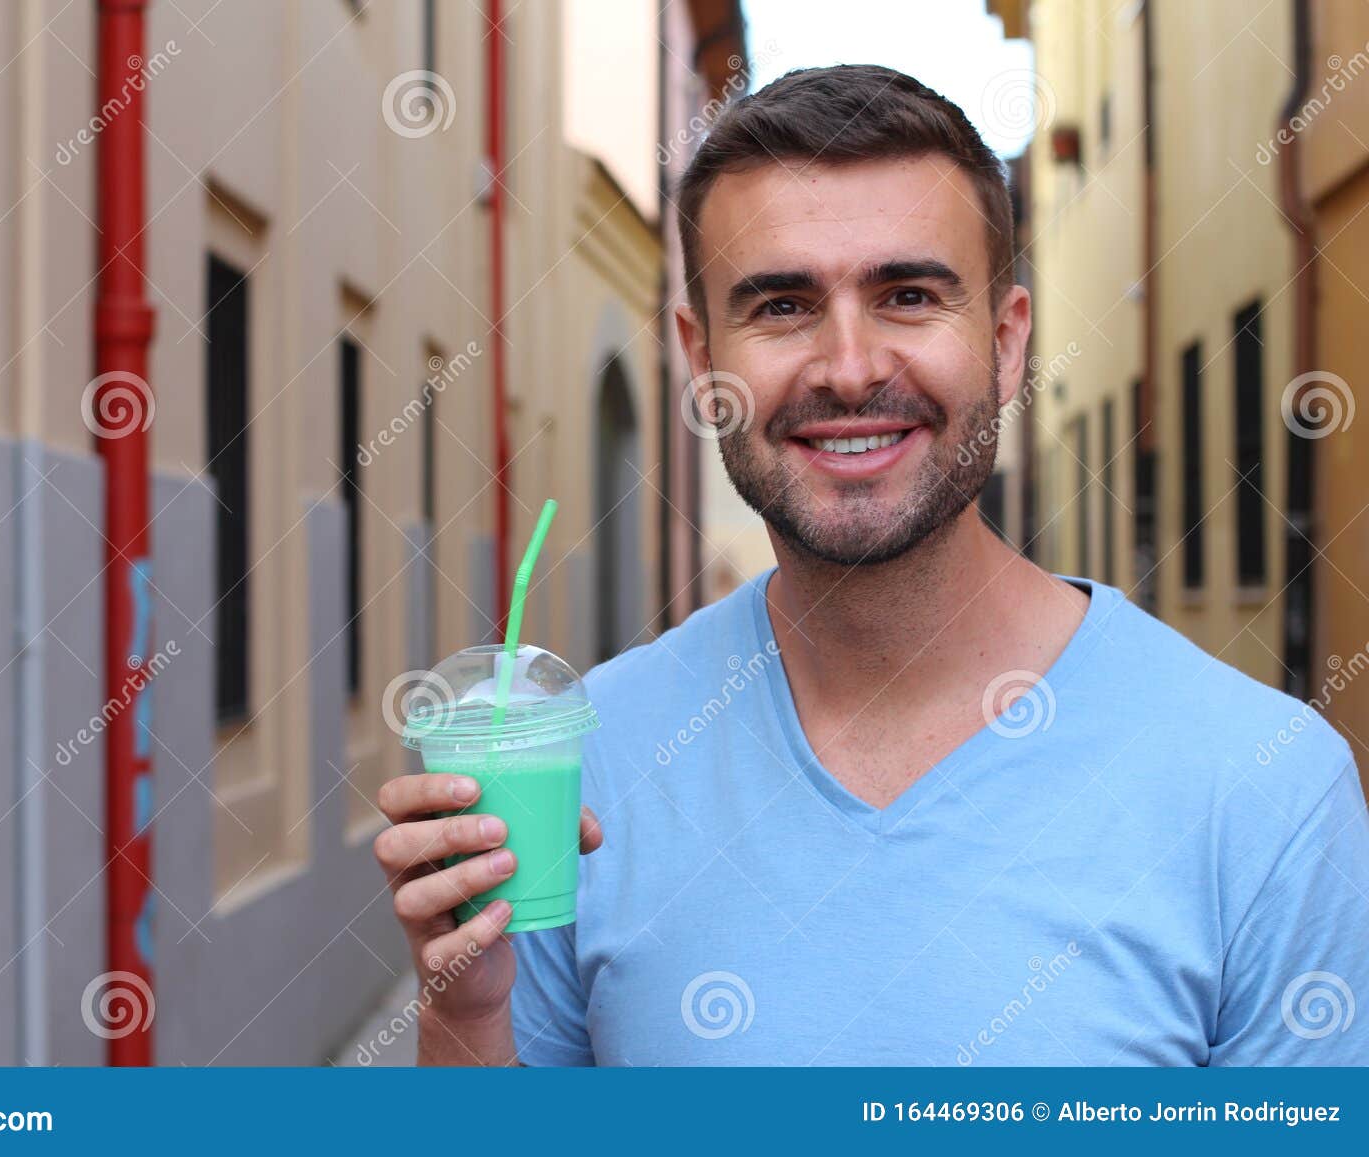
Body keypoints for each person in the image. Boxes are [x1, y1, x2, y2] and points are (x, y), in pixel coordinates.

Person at [373, 64, 1369, 1066]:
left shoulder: (1266, 792)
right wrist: (464, 1018)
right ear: (701, 356)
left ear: (1007, 342)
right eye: (780, 305)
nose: (848, 368)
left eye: (906, 295)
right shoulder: (588, 765)